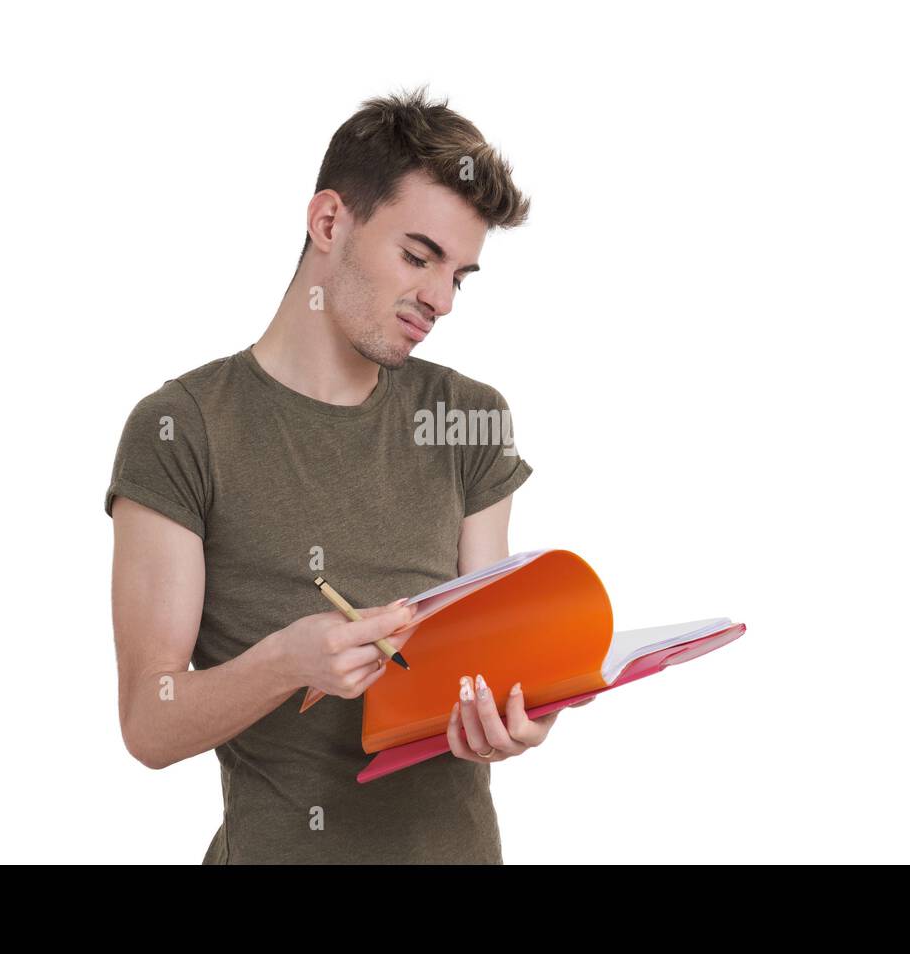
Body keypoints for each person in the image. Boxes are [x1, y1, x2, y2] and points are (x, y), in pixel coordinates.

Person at [104, 87, 590, 864]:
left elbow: (498, 655)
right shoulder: (182, 430)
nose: (440, 299)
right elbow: (148, 726)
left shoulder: (469, 416)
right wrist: (286, 662)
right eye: (418, 256)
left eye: (460, 276)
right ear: (329, 222)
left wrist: (520, 716)